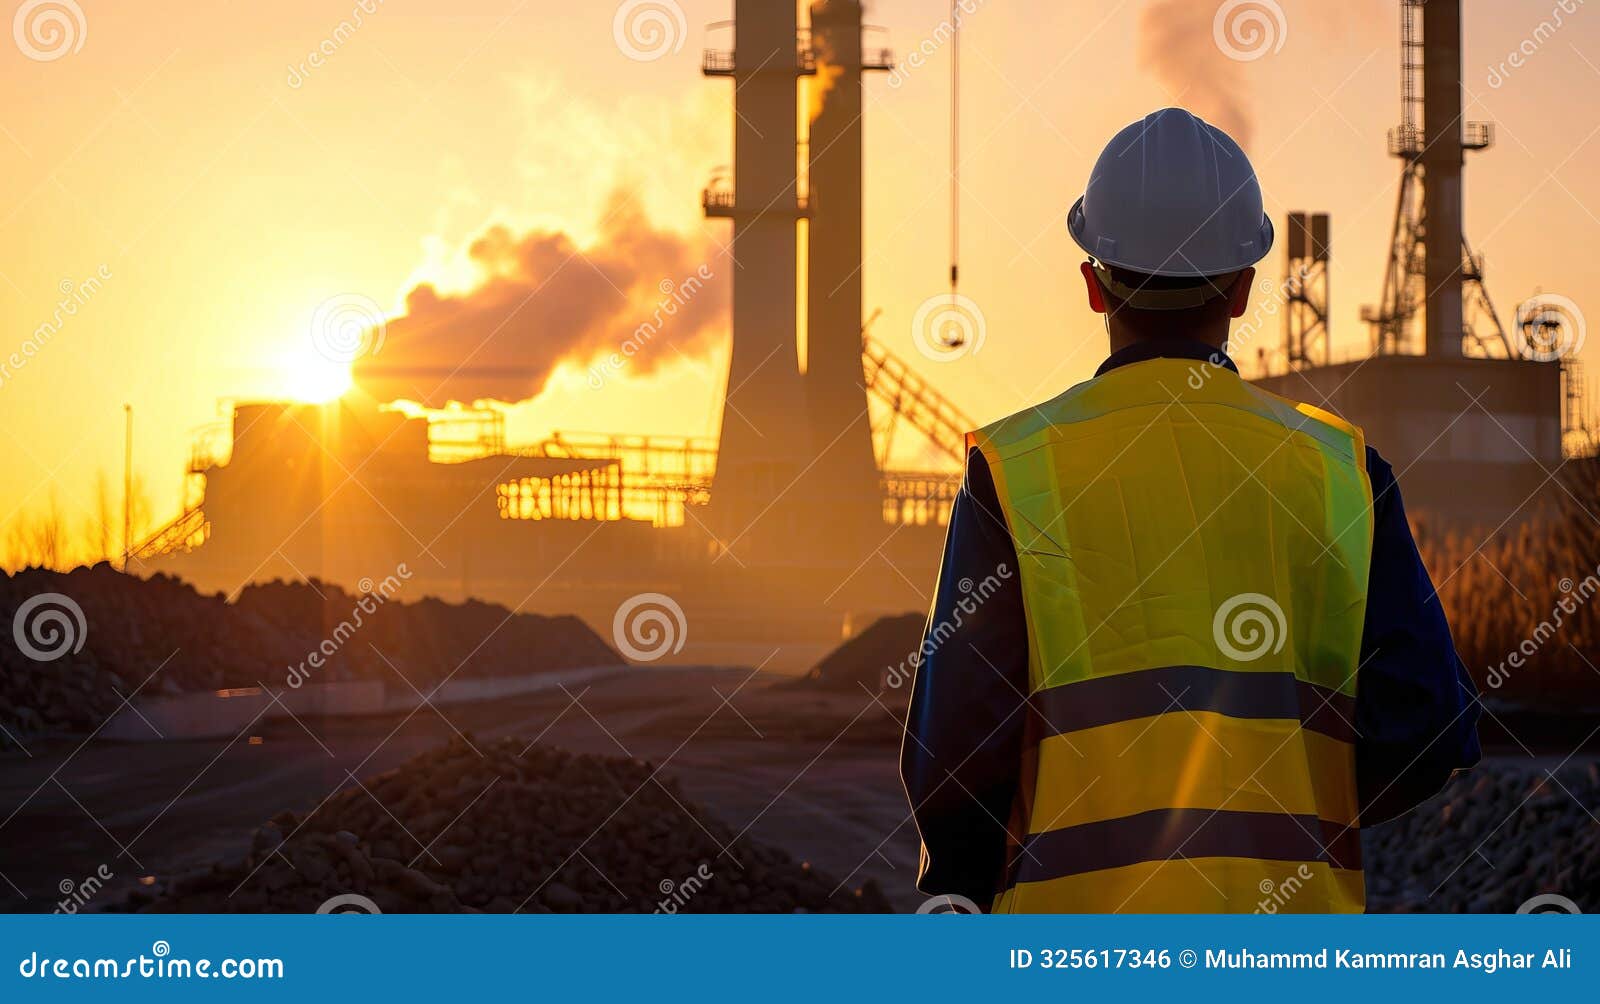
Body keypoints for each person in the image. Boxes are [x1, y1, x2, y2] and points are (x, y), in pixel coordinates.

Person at [899, 108, 1480, 914]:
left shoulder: (1014, 471)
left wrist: (968, 890)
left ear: (1093, 284)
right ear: (1244, 290)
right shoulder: (1342, 471)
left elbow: (954, 753)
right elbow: (1429, 725)